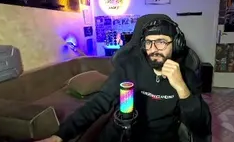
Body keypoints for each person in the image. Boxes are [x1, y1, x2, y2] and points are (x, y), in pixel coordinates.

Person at [38, 14, 212, 142]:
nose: (153, 49)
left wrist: (181, 87)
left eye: (161, 41)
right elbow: (99, 103)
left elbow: (201, 125)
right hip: (123, 136)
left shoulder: (186, 76)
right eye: (149, 42)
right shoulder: (129, 69)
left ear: (176, 45)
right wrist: (60, 135)